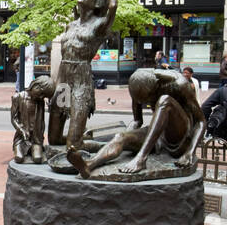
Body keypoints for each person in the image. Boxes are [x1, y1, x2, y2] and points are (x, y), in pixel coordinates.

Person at [66, 68, 205, 178]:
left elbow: (201, 122)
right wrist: (126, 138)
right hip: (157, 134)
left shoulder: (179, 84)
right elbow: (138, 120)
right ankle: (89, 165)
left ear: (155, 87)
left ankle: (141, 158)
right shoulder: (137, 85)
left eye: (148, 100)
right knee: (121, 136)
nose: (144, 103)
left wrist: (189, 152)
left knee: (165, 100)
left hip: (180, 136)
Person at [49, 0, 117, 154]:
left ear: (97, 4)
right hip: (64, 83)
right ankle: (80, 138)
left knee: (73, 147)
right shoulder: (70, 25)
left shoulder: (99, 25)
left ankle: (117, 145)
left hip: (81, 82)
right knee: (54, 138)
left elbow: (113, 6)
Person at [11, 75, 55, 163]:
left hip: (36, 139)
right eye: (41, 93)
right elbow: (14, 119)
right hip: (22, 138)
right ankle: (21, 149)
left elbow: (41, 121)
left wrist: (40, 138)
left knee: (37, 159)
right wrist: (22, 130)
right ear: (35, 85)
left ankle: (35, 149)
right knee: (19, 158)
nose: (41, 97)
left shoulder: (40, 102)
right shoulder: (18, 97)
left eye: (44, 96)